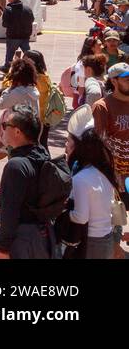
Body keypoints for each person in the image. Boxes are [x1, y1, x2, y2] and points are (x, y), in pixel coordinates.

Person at [0, 105, 66, 259]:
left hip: (23, 240)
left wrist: (2, 249)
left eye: (5, 125)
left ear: (17, 131)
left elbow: (9, 212)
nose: (3, 129)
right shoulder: (42, 155)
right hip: (44, 236)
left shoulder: (16, 166)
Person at [0, 56, 39, 199]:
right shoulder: (32, 91)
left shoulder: (16, 92)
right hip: (28, 134)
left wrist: (7, 89)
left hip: (13, 135)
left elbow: (1, 104)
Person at [66, 127, 119, 259]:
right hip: (106, 239)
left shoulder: (81, 178)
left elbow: (81, 217)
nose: (66, 145)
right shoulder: (104, 173)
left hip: (91, 243)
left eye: (68, 141)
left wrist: (65, 213)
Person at [91, 61, 129, 210]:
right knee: (116, 220)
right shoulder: (102, 107)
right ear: (114, 81)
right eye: (127, 79)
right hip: (116, 176)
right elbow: (99, 144)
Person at [0, 0, 35, 72]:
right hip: (25, 36)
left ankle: (7, 67)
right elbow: (32, 19)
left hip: (13, 37)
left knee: (10, 54)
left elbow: (5, 24)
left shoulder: (8, 10)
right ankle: (33, 67)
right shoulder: (27, 9)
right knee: (28, 54)